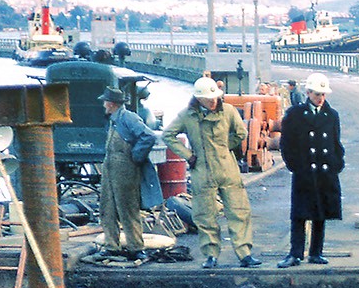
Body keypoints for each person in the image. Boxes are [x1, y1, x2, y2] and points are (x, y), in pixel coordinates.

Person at [162, 77, 261, 270]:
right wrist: (188, 155)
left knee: (239, 211)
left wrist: (224, 149)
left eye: (214, 97)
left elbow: (241, 133)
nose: (213, 101)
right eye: (208, 98)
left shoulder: (229, 112)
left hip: (227, 170)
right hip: (202, 171)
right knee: (205, 216)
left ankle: (245, 254)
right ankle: (211, 255)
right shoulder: (187, 116)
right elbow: (168, 135)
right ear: (198, 98)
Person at [277, 73, 345, 268]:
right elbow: (286, 143)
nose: (321, 98)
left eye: (323, 94)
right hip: (305, 171)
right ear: (307, 93)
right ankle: (295, 253)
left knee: (320, 213)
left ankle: (316, 252)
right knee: (299, 214)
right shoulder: (295, 114)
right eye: (317, 94)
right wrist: (294, 165)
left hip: (325, 172)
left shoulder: (331, 115)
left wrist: (337, 163)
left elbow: (335, 141)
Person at [97, 86, 161, 259]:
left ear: (111, 104)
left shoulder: (128, 117)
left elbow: (148, 136)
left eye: (105, 101)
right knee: (107, 208)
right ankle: (111, 246)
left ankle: (136, 247)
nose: (103, 104)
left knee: (127, 208)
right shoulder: (114, 119)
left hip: (125, 167)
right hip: (110, 167)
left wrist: (136, 156)